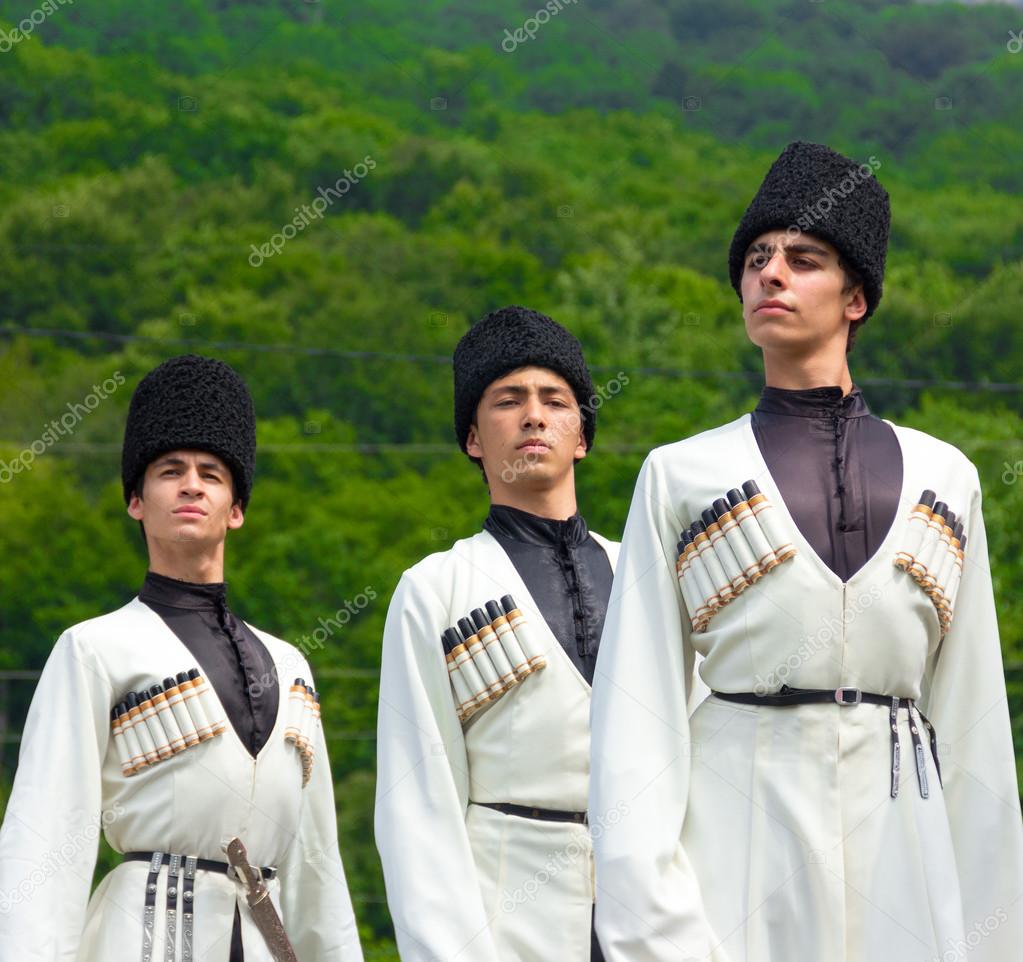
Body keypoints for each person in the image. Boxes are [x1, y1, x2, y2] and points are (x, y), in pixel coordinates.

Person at [589, 142, 1023, 962]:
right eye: (756, 259)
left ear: (856, 297)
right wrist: (651, 934)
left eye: (802, 259)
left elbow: (973, 728)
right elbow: (635, 721)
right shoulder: (679, 476)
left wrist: (994, 935)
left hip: (904, 841)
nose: (770, 275)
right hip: (735, 843)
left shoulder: (946, 478)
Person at [0, 354, 363, 962]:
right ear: (136, 500)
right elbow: (46, 835)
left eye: (211, 474)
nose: (192, 485)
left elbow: (317, 863)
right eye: (170, 471)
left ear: (236, 509)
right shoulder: (93, 649)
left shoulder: (291, 667)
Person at [375, 306, 621, 961]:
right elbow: (418, 808)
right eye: (508, 400)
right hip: (508, 918)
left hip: (644, 911)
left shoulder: (644, 574)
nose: (534, 416)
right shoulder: (435, 590)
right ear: (473, 439)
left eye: (555, 400)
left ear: (582, 435)